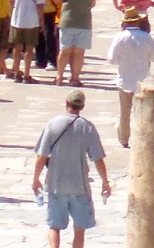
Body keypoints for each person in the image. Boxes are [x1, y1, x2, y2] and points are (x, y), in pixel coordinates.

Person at [32, 90, 111, 248]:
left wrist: (36, 179)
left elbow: (42, 156)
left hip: (56, 184)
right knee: (79, 229)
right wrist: (105, 182)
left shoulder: (53, 124)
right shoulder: (87, 127)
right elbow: (98, 159)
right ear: (82, 106)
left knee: (54, 226)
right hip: (80, 186)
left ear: (66, 103)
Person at [108, 8, 154, 149]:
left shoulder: (119, 37)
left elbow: (112, 59)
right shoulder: (146, 37)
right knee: (143, 113)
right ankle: (142, 139)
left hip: (124, 80)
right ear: (138, 21)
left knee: (124, 113)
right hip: (143, 81)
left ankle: (124, 139)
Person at [6, 0, 47, 83]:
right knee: (29, 48)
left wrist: (12, 13)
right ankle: (27, 75)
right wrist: (42, 20)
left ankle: (16, 73)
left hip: (17, 18)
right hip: (31, 19)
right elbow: (40, 3)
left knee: (17, 47)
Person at [54, 0, 97, 86]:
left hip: (67, 22)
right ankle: (75, 78)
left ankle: (59, 77)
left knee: (64, 50)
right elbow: (92, 4)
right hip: (84, 23)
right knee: (79, 52)